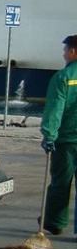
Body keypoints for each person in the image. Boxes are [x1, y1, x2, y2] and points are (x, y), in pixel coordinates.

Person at [39, 34, 77, 235]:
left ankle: (54, 222)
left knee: (61, 183)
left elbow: (55, 109)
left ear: (73, 51)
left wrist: (49, 136)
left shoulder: (64, 77)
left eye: (65, 50)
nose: (64, 54)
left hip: (66, 141)